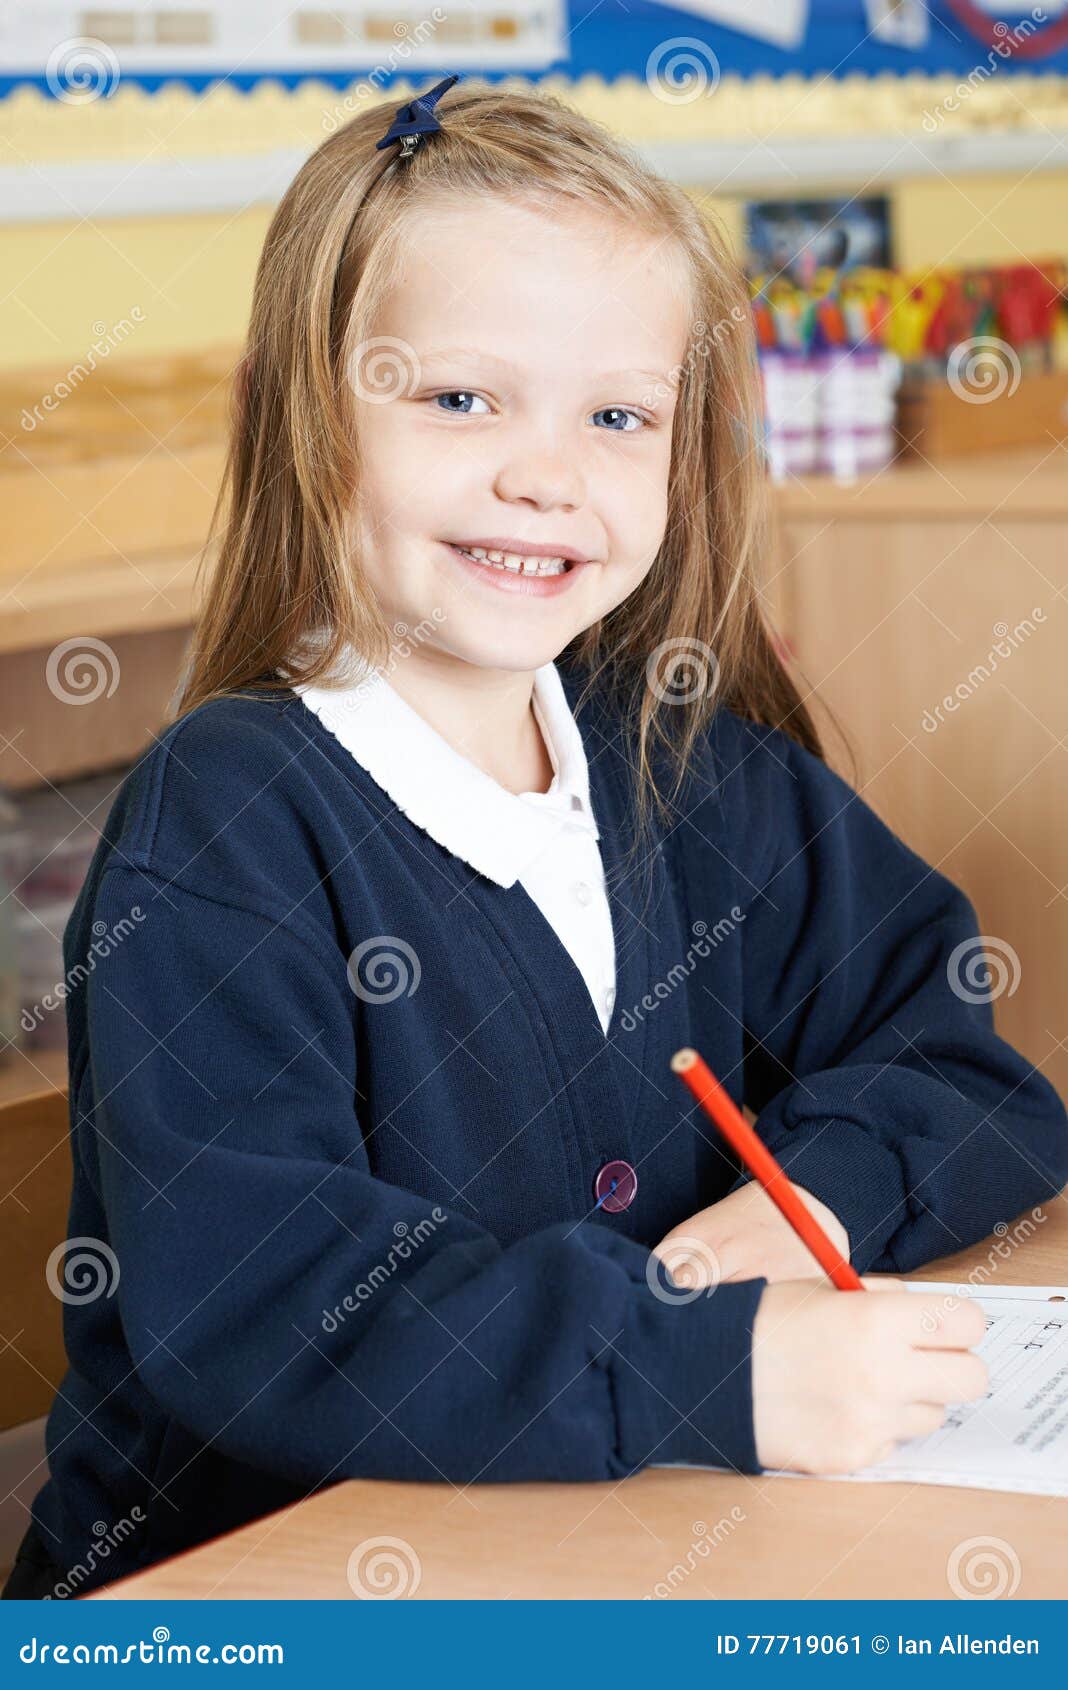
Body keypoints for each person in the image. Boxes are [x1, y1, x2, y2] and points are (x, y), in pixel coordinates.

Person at [6, 77, 1064, 1598]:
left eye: (618, 415)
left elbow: (968, 1075)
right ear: (296, 415)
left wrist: (794, 1211)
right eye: (459, 398)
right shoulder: (227, 823)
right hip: (251, 1602)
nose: (547, 472)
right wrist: (712, 1366)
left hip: (613, 1549)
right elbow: (273, 1301)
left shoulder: (680, 757)